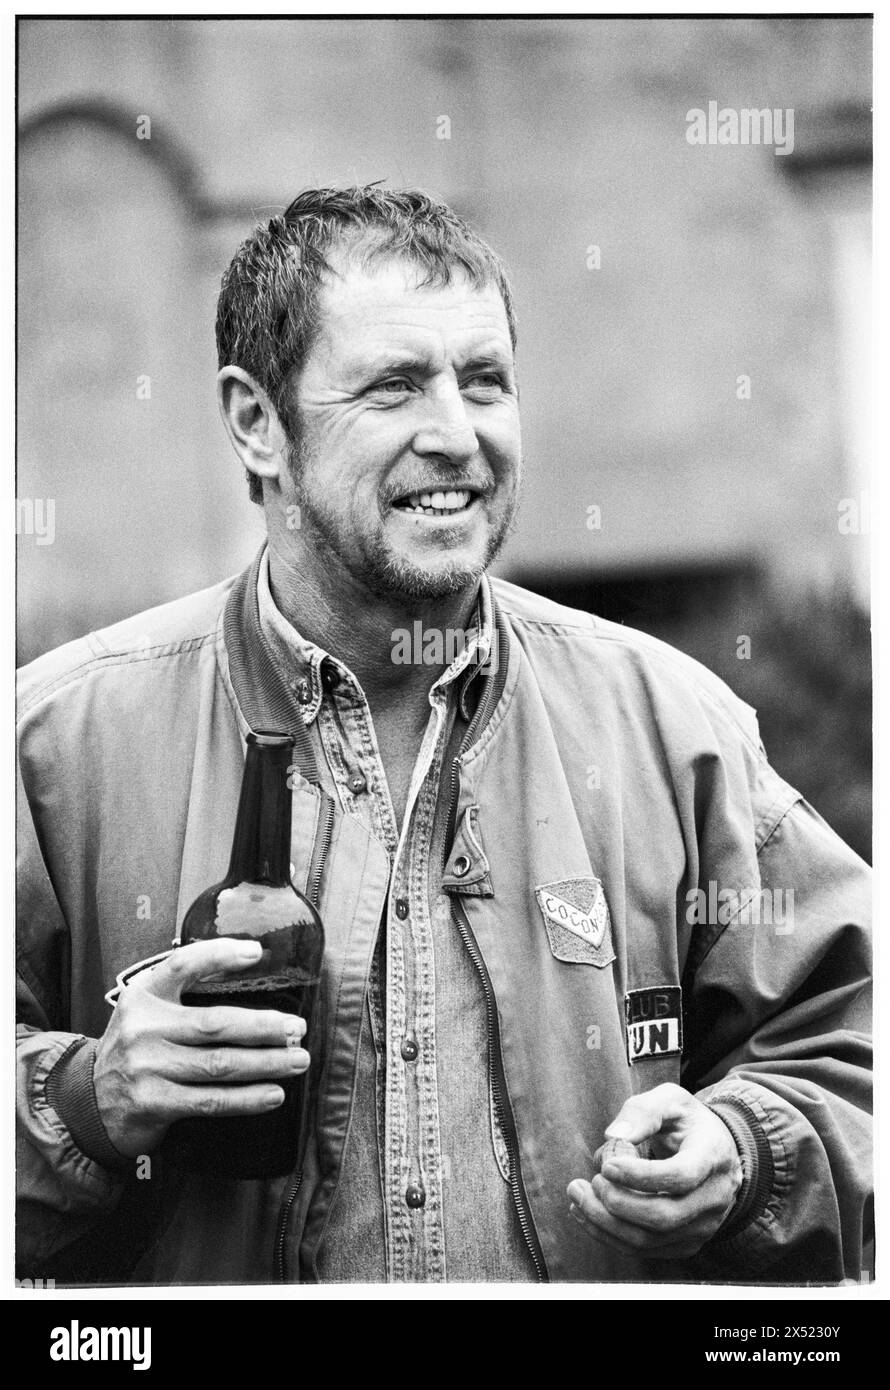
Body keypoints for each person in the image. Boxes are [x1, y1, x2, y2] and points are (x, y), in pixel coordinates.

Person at [16, 186, 871, 1286]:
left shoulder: (667, 725)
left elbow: (851, 1042)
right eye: (393, 387)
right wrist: (85, 1101)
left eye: (484, 382)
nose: (456, 436)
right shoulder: (56, 745)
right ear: (255, 421)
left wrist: (746, 1152)